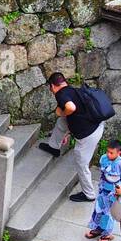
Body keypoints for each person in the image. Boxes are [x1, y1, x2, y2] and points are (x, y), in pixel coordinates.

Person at [39, 72, 104, 204]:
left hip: (89, 134)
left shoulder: (61, 94)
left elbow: (71, 108)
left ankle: (89, 194)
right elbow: (76, 115)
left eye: (50, 88)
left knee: (81, 162)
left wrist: (63, 112)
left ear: (52, 86)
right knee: (61, 122)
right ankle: (54, 147)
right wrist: (68, 131)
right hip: (96, 124)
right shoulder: (73, 90)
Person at [86, 139, 121, 241]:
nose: (108, 154)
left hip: (113, 191)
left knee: (108, 212)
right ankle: (98, 228)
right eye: (107, 152)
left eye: (111, 153)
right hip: (103, 188)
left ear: (118, 153)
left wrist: (120, 191)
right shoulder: (103, 159)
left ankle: (107, 233)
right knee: (98, 208)